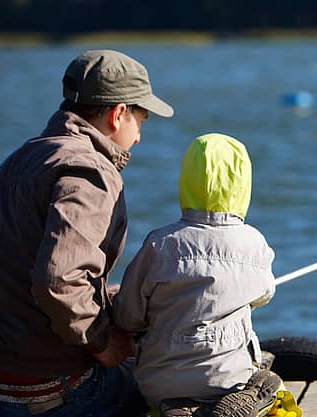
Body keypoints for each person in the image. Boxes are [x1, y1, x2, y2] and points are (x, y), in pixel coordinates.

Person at [0, 49, 175, 416]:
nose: (138, 137)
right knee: (167, 381)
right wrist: (104, 344)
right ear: (118, 114)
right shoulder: (90, 174)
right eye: (142, 119)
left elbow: (25, 275)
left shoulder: (22, 159)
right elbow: (57, 282)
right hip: (45, 395)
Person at [112, 133, 279, 416]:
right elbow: (265, 294)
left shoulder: (160, 243)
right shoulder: (254, 243)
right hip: (228, 381)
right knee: (267, 381)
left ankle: (180, 408)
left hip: (158, 384)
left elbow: (128, 316)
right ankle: (235, 402)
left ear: (186, 182)